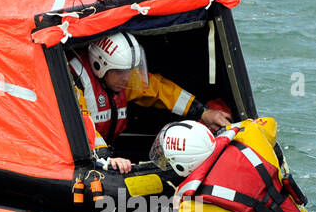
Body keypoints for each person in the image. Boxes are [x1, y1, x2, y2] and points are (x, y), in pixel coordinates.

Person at [68, 31, 229, 174]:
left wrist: (203, 112)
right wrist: (104, 158)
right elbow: (81, 123)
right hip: (80, 155)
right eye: (120, 72)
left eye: (129, 71)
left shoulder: (120, 78)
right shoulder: (76, 81)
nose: (127, 78)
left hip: (107, 149)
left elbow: (159, 91)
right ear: (98, 65)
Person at [152, 117, 311, 212]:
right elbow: (269, 122)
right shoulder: (252, 135)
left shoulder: (192, 209)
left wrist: (176, 203)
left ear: (181, 166)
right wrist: (226, 131)